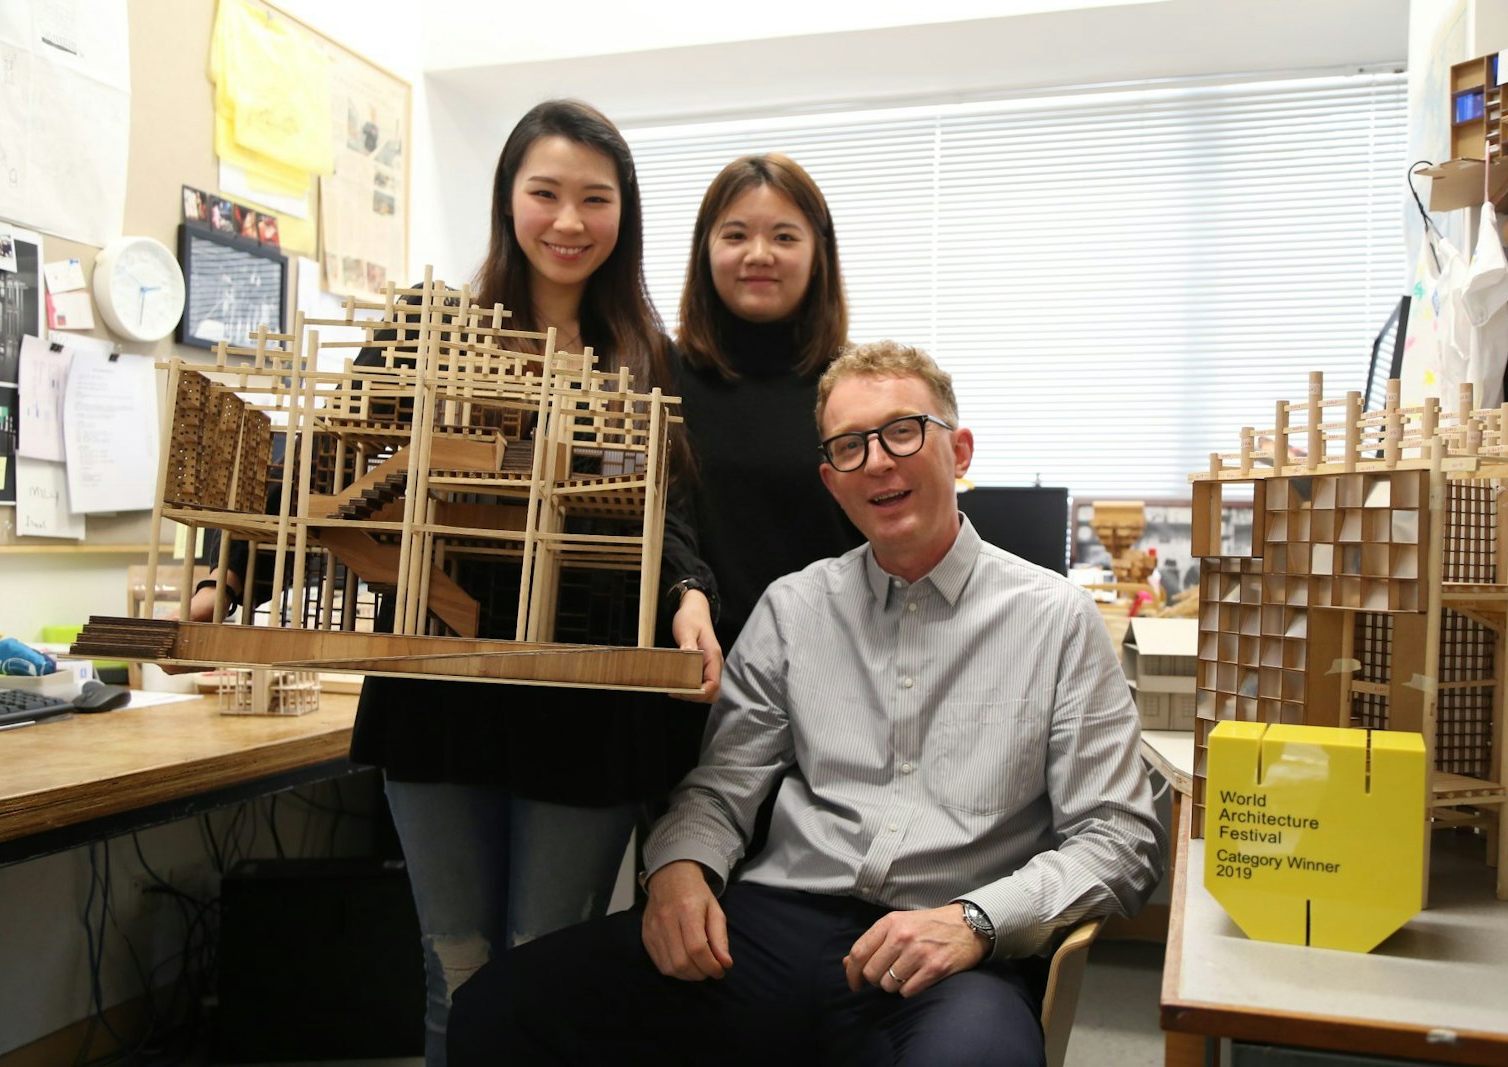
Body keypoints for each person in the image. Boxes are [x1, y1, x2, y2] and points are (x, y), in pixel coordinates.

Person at [446, 341, 1165, 1066]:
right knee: (499, 1009)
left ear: (960, 451)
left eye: (903, 431)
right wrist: (677, 870)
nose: (877, 461)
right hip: (774, 930)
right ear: (831, 480)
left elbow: (1119, 839)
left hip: (949, 949)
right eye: (850, 446)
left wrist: (976, 920)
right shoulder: (794, 608)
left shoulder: (1056, 619)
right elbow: (720, 789)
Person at [342, 99, 705, 1067]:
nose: (569, 221)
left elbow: (672, 514)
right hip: (439, 688)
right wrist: (229, 577)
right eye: (545, 192)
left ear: (625, 212)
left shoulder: (646, 356)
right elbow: (336, 461)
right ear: (508, 200)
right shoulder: (427, 326)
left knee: (548, 975)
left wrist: (690, 593)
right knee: (454, 970)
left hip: (587, 693)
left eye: (596, 198)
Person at [662, 153, 861, 715]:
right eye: (736, 235)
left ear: (819, 254)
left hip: (833, 682)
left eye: (784, 236)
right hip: (695, 673)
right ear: (705, 250)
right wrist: (687, 594)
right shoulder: (661, 375)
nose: (758, 254)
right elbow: (661, 518)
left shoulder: (853, 386)